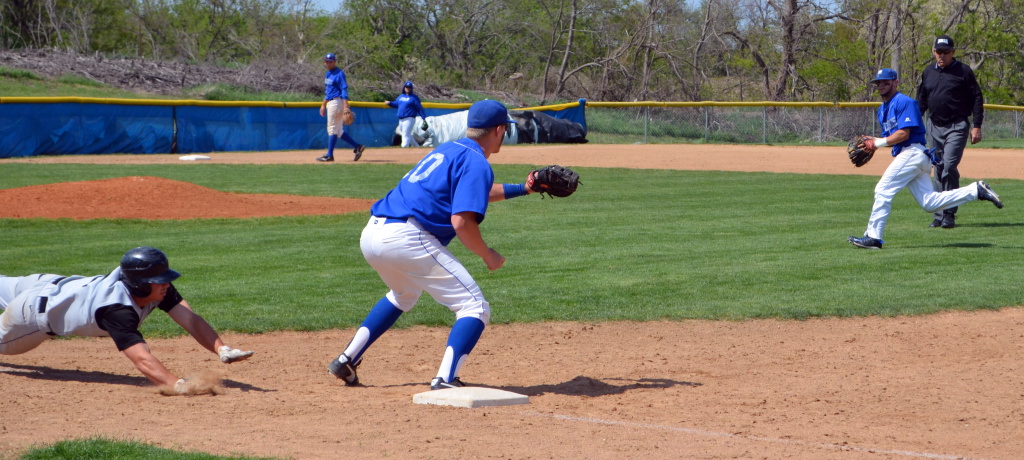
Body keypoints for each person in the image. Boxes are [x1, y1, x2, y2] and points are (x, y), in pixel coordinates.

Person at [326, 100, 538, 390]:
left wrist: (524, 189)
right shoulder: (477, 161)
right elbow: (462, 222)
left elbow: (474, 191)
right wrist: (487, 254)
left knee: (404, 294)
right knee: (474, 307)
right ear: (500, 130)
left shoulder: (448, 149)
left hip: (373, 232)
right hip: (406, 238)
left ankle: (347, 358)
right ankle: (445, 379)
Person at [0, 247, 253, 394]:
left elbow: (191, 320)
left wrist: (221, 348)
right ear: (139, 284)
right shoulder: (116, 310)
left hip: (50, 283)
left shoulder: (156, 289)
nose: (166, 284)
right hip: (29, 317)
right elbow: (142, 359)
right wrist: (176, 385)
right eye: (159, 280)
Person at [848, 68, 1003, 250]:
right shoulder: (882, 110)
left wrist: (877, 143)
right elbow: (893, 139)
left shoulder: (904, 102)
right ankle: (976, 190)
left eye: (886, 82)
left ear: (895, 82)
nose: (881, 85)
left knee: (883, 189)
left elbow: (904, 134)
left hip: (912, 153)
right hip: (912, 156)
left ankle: (874, 237)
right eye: (879, 83)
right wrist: (874, 141)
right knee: (930, 203)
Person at [916, 35, 986, 229]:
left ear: (953, 52)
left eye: (946, 52)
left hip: (957, 125)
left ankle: (949, 213)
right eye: (939, 51)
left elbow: (977, 98)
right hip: (934, 126)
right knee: (938, 168)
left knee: (948, 166)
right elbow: (922, 100)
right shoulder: (928, 72)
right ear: (934, 52)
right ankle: (939, 214)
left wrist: (977, 126)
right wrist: (913, 124)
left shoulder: (963, 71)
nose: (942, 55)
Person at [317, 53, 366, 162]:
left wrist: (345, 106)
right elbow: (328, 92)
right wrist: (323, 105)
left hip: (336, 102)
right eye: (327, 62)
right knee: (338, 130)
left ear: (335, 62)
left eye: (331, 61)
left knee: (332, 128)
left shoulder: (339, 73)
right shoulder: (328, 74)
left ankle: (329, 155)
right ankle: (357, 146)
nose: (329, 63)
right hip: (331, 101)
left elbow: (344, 90)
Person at [385, 81, 429, 148]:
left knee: (405, 134)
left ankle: (404, 147)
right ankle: (417, 147)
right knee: (406, 134)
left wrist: (423, 118)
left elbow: (419, 108)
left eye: (409, 87)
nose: (408, 88)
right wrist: (390, 103)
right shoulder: (401, 97)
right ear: (404, 87)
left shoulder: (414, 98)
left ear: (411, 88)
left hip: (409, 118)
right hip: (401, 119)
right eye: (406, 87)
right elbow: (396, 104)